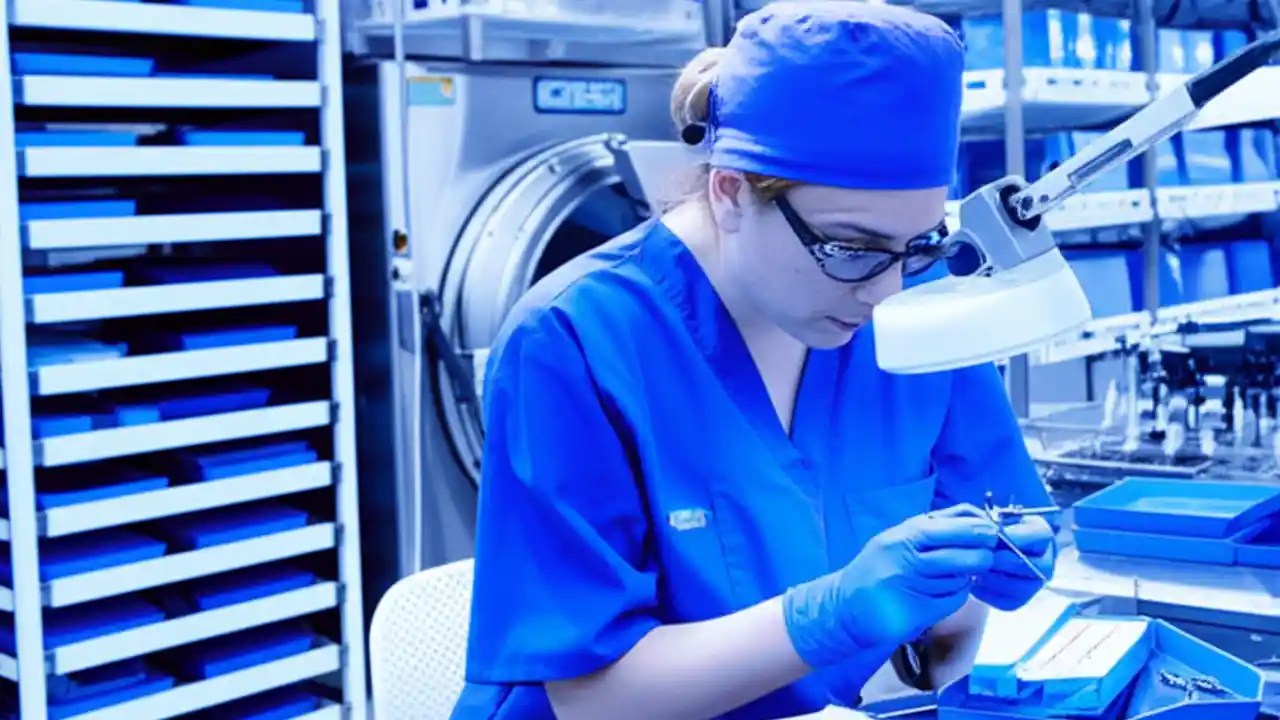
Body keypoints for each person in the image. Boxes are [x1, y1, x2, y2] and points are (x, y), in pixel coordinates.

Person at [450, 2, 1058, 718]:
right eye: (851, 247)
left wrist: (966, 582)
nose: (887, 290)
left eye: (918, 244)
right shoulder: (576, 342)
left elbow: (945, 637)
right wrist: (828, 617)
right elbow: (592, 700)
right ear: (731, 191)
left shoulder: (919, 302)